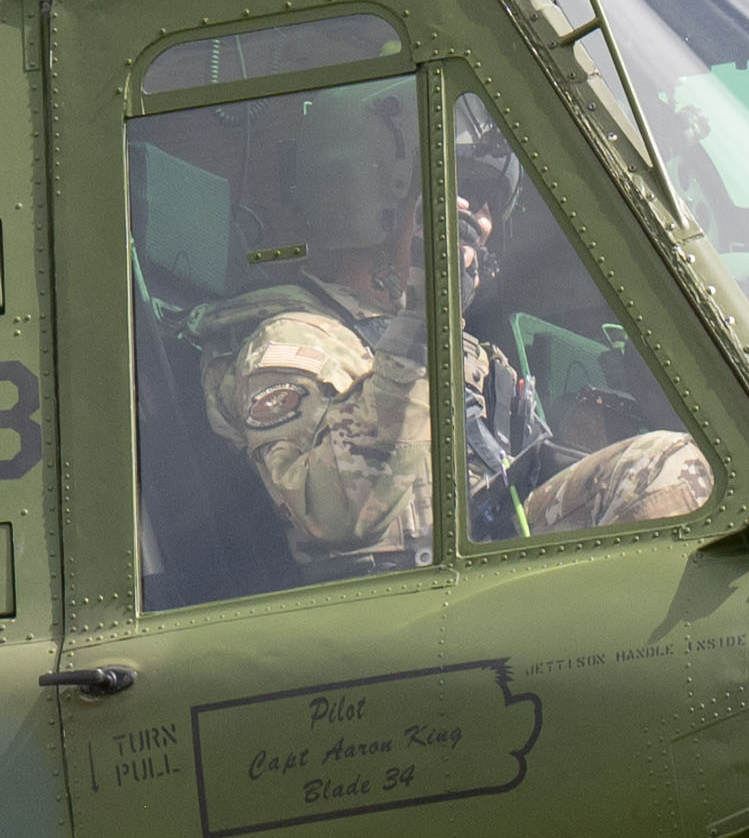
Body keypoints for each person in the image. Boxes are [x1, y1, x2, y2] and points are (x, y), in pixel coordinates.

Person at [185, 92, 710, 572]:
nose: (481, 223)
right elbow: (339, 516)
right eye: (463, 192)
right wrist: (422, 326)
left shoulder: (473, 354)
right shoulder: (292, 342)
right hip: (402, 615)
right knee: (662, 469)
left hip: (493, 578)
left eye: (488, 204)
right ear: (372, 198)